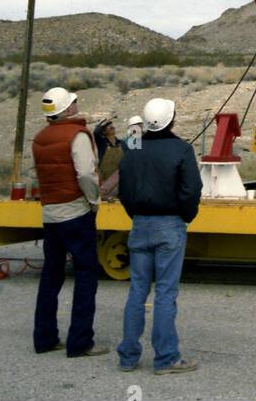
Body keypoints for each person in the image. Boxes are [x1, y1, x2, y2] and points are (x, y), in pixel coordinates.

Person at [116, 98, 202, 375]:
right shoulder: (181, 149)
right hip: (169, 225)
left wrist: (136, 214)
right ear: (172, 118)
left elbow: (124, 188)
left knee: (137, 291)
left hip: (140, 224)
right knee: (165, 293)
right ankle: (166, 358)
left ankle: (128, 357)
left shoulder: (133, 146)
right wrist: (185, 216)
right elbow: (191, 189)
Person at [31, 87, 107, 358]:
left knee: (51, 276)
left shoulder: (39, 139)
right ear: (67, 109)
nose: (76, 105)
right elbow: (86, 173)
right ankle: (80, 341)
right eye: (73, 102)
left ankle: (45, 338)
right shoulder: (77, 135)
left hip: (50, 215)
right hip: (76, 212)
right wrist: (94, 201)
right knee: (86, 275)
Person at [93, 117, 125, 198]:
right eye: (108, 126)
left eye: (112, 125)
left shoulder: (122, 143)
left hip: (120, 182)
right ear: (103, 131)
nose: (111, 127)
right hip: (105, 183)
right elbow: (96, 132)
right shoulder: (102, 143)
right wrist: (104, 121)